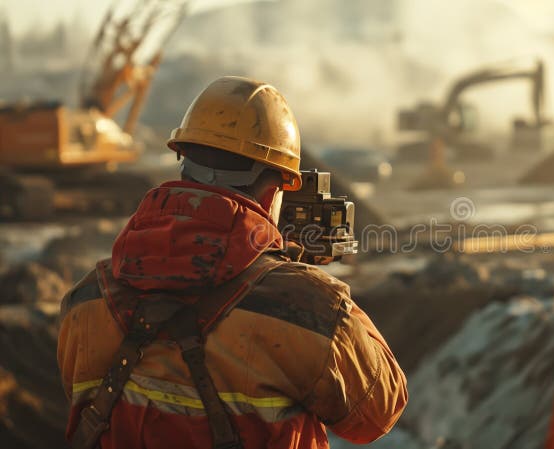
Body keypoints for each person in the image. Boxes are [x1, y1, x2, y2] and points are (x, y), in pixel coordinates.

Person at [57, 76, 407, 449]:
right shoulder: (308, 310)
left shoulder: (85, 302)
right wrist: (311, 287)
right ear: (274, 192)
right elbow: (379, 411)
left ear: (184, 164)